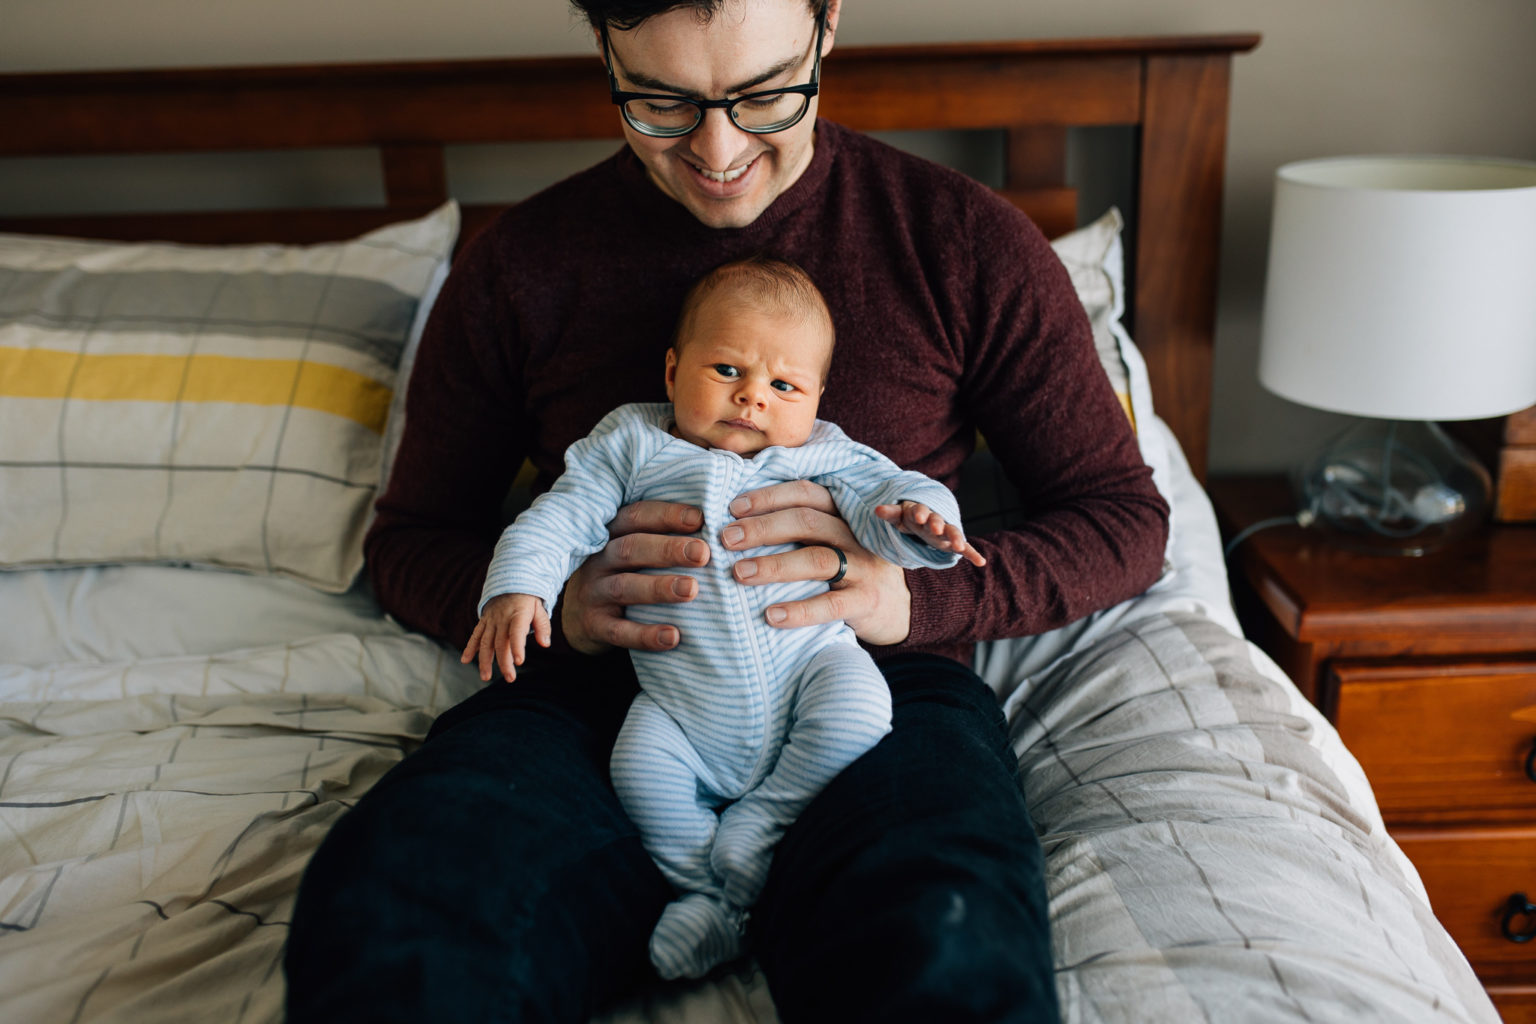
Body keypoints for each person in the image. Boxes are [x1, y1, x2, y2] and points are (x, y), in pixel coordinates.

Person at [284, 1, 1169, 1021]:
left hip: (871, 690)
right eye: (659, 102)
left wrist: (904, 601)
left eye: (763, 94)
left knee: (945, 943)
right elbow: (410, 540)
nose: (715, 150)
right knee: (401, 913)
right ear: (604, 49)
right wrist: (560, 605)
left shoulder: (961, 242)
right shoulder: (518, 269)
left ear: (828, 22)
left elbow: (1121, 519)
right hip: (593, 703)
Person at [462, 254, 986, 980]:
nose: (753, 400)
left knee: (864, 708)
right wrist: (520, 590)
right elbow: (559, 517)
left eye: (783, 385)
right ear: (672, 371)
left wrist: (924, 521)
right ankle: (713, 899)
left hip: (808, 669)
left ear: (818, 398)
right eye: (728, 371)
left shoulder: (823, 452)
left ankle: (762, 825)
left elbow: (890, 499)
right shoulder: (632, 443)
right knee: (638, 770)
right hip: (679, 705)